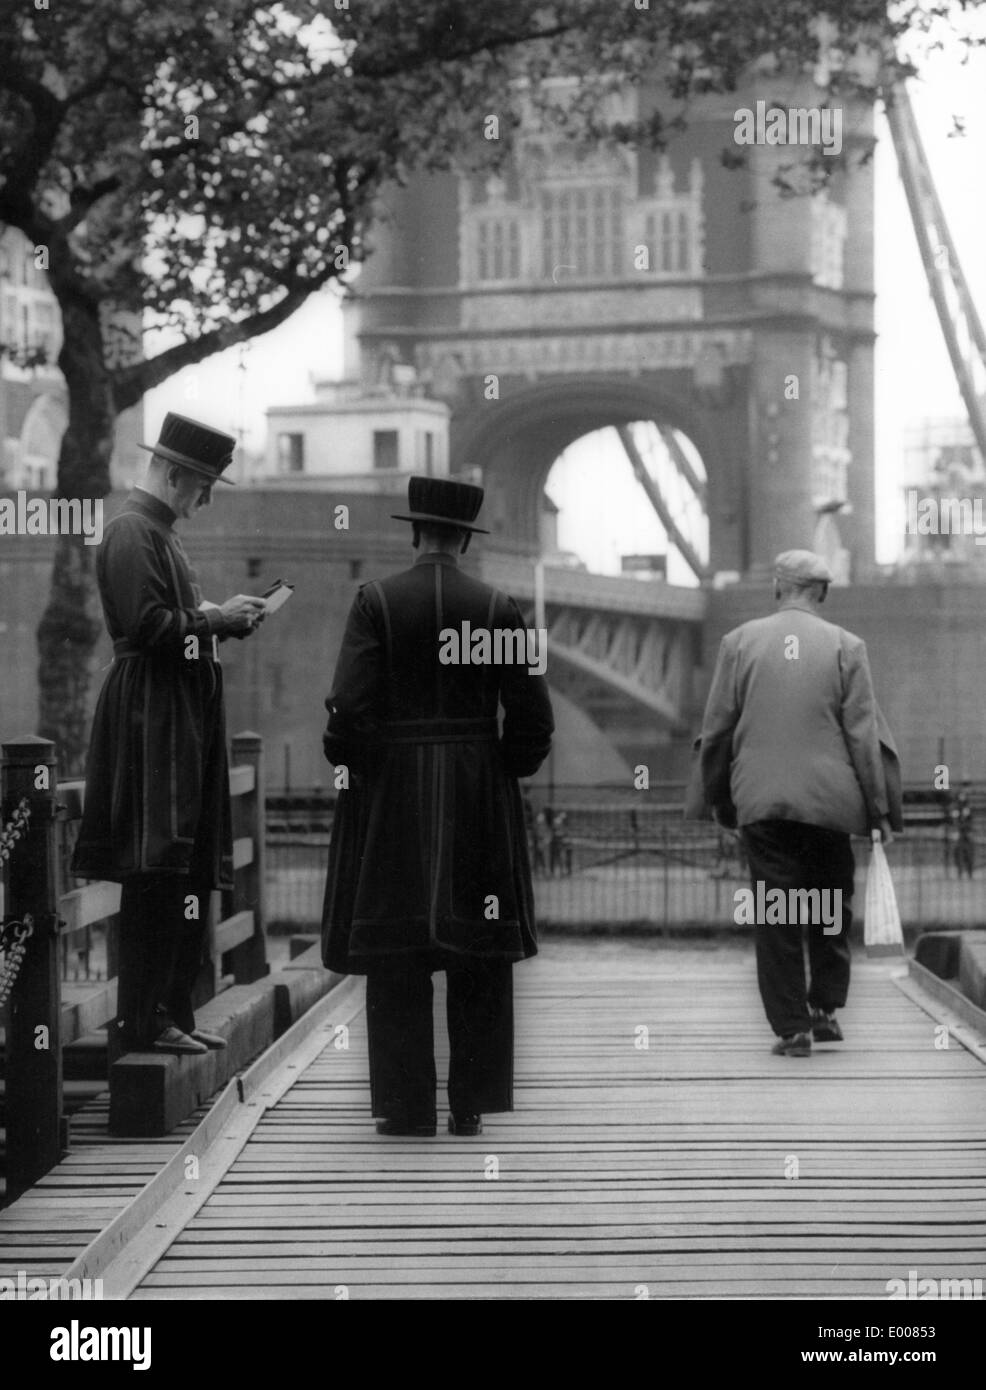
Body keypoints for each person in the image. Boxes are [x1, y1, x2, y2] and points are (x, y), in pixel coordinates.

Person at [320, 475, 554, 1136]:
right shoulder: (498, 609)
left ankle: (407, 1106)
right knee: (479, 950)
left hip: (395, 793)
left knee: (396, 951)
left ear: (416, 531)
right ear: (464, 539)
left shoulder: (377, 603)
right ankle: (470, 1102)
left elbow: (351, 709)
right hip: (478, 791)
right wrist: (497, 769)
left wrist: (359, 765)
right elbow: (533, 719)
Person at [72, 413, 268, 1055]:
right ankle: (144, 1020)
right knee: (157, 865)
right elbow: (150, 625)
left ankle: (172, 1010)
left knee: (179, 866)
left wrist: (213, 619)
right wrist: (216, 621)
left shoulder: (156, 532)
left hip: (173, 718)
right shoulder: (132, 531)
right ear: (176, 475)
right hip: (151, 718)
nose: (207, 498)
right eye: (204, 485)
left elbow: (167, 622)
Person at [694, 549, 902, 1056]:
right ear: (823, 593)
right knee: (831, 904)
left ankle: (792, 1028)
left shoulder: (738, 643)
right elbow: (863, 736)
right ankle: (824, 1008)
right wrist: (879, 811)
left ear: (778, 587)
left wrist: (718, 800)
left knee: (777, 911)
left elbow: (718, 729)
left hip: (762, 802)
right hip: (832, 805)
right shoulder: (847, 647)